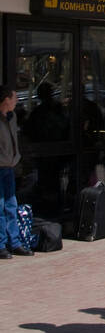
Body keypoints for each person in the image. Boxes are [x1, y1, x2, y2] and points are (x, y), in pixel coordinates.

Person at [0, 86, 29, 258]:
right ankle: (1, 244)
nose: (17, 101)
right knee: (1, 206)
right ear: (6, 100)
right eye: (14, 97)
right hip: (1, 165)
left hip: (9, 166)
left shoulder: (12, 117)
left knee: (11, 205)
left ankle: (15, 242)